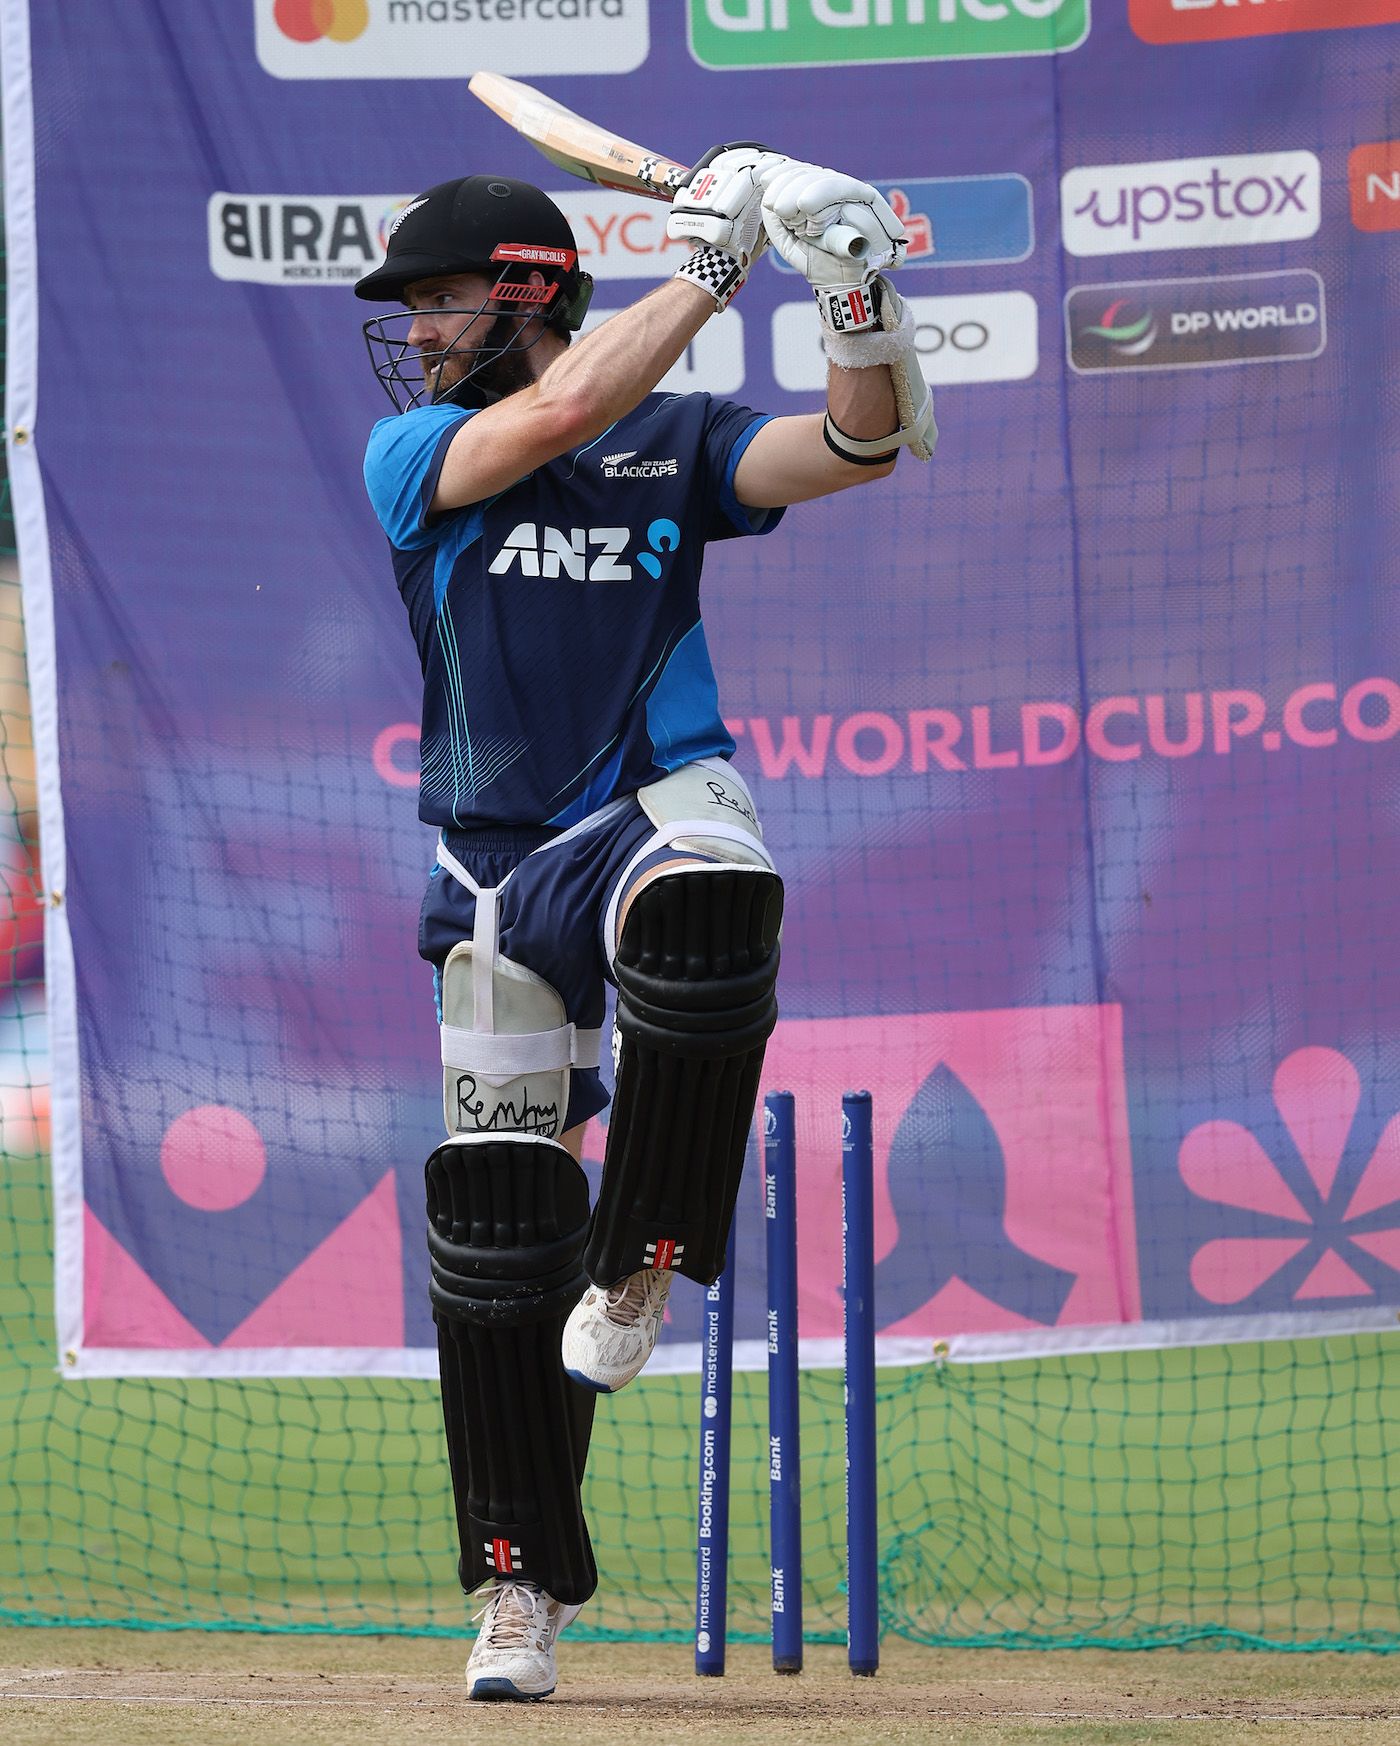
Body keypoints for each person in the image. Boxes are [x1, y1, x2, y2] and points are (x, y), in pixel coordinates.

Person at [355, 150, 935, 1702]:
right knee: (496, 1233)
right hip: (493, 870)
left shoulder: (672, 441)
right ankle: (520, 1587)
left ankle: (642, 1260)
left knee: (714, 892)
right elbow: (558, 417)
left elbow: (857, 446)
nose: (417, 333)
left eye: (437, 301)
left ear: (525, 292)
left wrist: (856, 289)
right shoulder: (414, 449)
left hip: (648, 803)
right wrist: (714, 265)